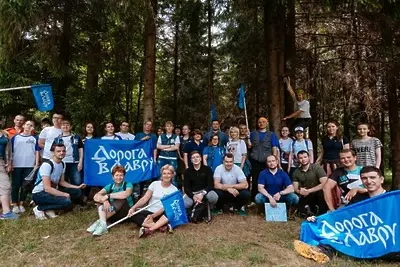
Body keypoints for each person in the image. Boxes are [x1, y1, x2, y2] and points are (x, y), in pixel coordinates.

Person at [294, 166, 389, 264]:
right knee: (339, 236)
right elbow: (344, 219)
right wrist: (318, 220)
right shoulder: (357, 199)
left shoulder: (393, 199)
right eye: (364, 178)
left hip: (385, 236)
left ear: (381, 180)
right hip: (363, 236)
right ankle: (322, 252)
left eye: (372, 177)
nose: (368, 181)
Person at [31, 142, 85, 219]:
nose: (61, 153)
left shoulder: (63, 164)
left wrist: (77, 187)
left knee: (77, 192)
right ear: (53, 153)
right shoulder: (47, 165)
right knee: (66, 201)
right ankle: (39, 208)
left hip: (52, 190)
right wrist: (64, 194)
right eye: (58, 151)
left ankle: (49, 208)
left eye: (63, 151)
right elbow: (47, 188)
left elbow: (62, 182)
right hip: (40, 193)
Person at [128, 164, 178, 238]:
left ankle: (150, 229)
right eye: (164, 173)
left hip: (162, 214)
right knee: (132, 214)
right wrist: (133, 207)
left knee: (170, 212)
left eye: (168, 173)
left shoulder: (174, 190)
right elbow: (145, 198)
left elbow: (165, 207)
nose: (166, 176)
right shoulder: (154, 184)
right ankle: (160, 226)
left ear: (172, 175)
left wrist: (153, 216)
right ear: (161, 174)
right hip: (149, 211)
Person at [86, 165, 134, 236]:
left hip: (126, 212)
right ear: (113, 177)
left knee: (120, 199)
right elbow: (96, 196)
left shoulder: (128, 184)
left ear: (124, 176)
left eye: (121, 175)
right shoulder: (110, 186)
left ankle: (99, 222)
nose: (119, 177)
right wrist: (104, 201)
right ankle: (103, 224)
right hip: (113, 213)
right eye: (116, 175)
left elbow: (126, 194)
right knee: (100, 202)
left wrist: (108, 196)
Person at [10, 120, 40, 214]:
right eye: (27, 124)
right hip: (17, 164)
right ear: (23, 126)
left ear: (33, 128)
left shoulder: (34, 138)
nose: (28, 126)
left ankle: (22, 204)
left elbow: (37, 151)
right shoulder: (15, 137)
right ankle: (15, 204)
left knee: (25, 185)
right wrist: (10, 163)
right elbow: (10, 151)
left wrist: (36, 163)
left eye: (31, 125)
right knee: (15, 185)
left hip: (29, 165)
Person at [248, 117, 279, 201]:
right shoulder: (253, 134)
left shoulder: (271, 135)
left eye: (263, 122)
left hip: (267, 161)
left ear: (267, 123)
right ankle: (253, 199)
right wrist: (248, 138)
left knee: (267, 180)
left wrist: (274, 159)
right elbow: (249, 146)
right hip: (255, 160)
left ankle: (268, 197)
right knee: (255, 180)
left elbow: (274, 147)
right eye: (259, 122)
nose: (261, 124)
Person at [292, 151, 328, 216]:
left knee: (322, 193)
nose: (303, 159)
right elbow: (295, 188)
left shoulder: (317, 168)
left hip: (318, 193)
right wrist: (300, 191)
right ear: (298, 159)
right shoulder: (296, 172)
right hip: (305, 194)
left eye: (305, 157)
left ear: (309, 157)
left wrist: (309, 191)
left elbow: (324, 183)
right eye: (300, 158)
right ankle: (312, 210)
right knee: (302, 214)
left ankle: (322, 212)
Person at [0, 123, 17, 220]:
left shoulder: (5, 134)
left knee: (5, 186)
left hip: (2, 161)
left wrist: (9, 163)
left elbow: (9, 150)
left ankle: (6, 212)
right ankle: (6, 212)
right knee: (5, 186)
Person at [60, 119, 84, 186]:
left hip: (74, 162)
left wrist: (80, 162)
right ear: (61, 127)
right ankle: (64, 196)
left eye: (67, 125)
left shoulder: (76, 137)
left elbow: (81, 150)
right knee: (62, 182)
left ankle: (79, 195)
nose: (65, 126)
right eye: (63, 125)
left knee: (77, 181)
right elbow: (53, 151)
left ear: (70, 127)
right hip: (62, 163)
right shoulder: (57, 139)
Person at [157, 121, 180, 186]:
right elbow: (158, 146)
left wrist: (163, 148)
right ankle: (160, 191)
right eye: (167, 126)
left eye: (170, 126)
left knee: (173, 175)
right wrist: (170, 146)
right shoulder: (161, 136)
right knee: (160, 174)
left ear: (173, 128)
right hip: (162, 158)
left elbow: (176, 147)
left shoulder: (176, 136)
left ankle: (174, 193)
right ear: (165, 127)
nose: (169, 127)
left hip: (172, 158)